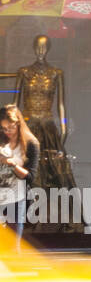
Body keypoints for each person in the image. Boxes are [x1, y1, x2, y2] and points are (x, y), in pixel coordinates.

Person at [0, 105, 38, 248]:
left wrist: (12, 164)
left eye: (10, 127)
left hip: (16, 199)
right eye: (4, 128)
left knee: (12, 246)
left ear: (18, 123)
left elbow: (31, 177)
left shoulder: (31, 144)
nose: (7, 132)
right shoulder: (1, 139)